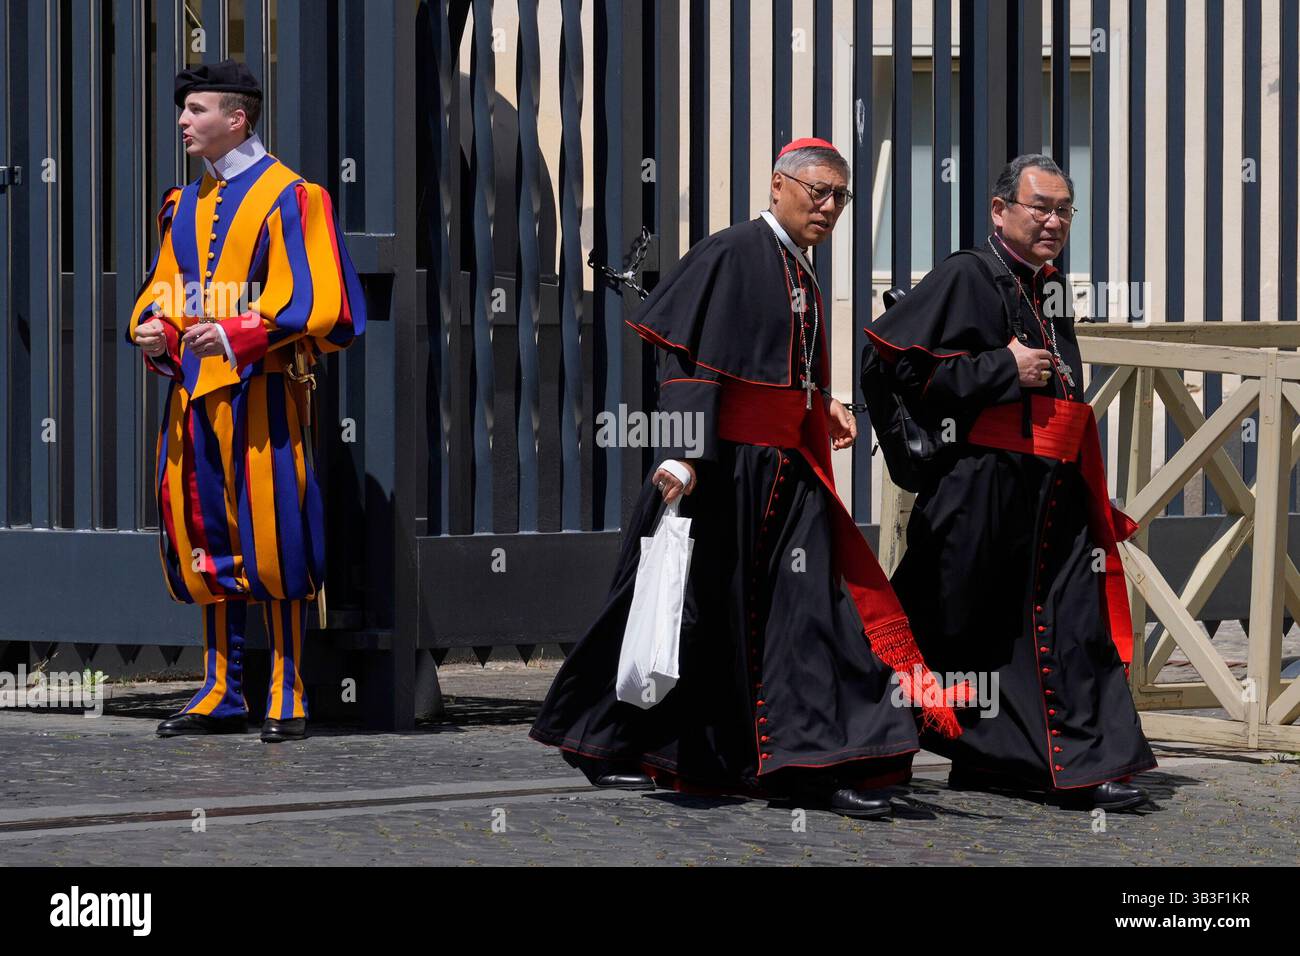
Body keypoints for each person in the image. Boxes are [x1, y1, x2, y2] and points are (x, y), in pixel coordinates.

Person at [530, 138, 965, 819]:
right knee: (679, 618)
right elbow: (688, 363)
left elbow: (777, 366)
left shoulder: (802, 272)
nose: (829, 206)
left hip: (786, 475)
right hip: (716, 474)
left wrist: (821, 406)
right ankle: (605, 744)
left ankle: (822, 764)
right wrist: (679, 456)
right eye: (817, 191)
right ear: (777, 187)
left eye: (840, 197)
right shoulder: (731, 251)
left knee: (811, 618)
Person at [860, 153, 1156, 810]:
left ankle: (1044, 763)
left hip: (1050, 490)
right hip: (980, 487)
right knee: (945, 622)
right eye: (1040, 207)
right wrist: (1000, 368)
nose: (1053, 220)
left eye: (1063, 210)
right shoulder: (968, 273)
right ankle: (864, 746)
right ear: (1001, 211)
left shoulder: (1046, 284)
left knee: (1065, 627)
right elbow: (897, 366)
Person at [127, 60, 365, 743]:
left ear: (238, 118)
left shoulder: (296, 197)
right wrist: (156, 330)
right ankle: (222, 687)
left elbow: (321, 300)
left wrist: (235, 331)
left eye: (196, 109)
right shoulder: (184, 203)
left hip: (265, 395)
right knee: (205, 533)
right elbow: (163, 287)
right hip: (194, 398)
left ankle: (288, 689)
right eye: (183, 109)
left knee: (274, 535)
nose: (182, 121)